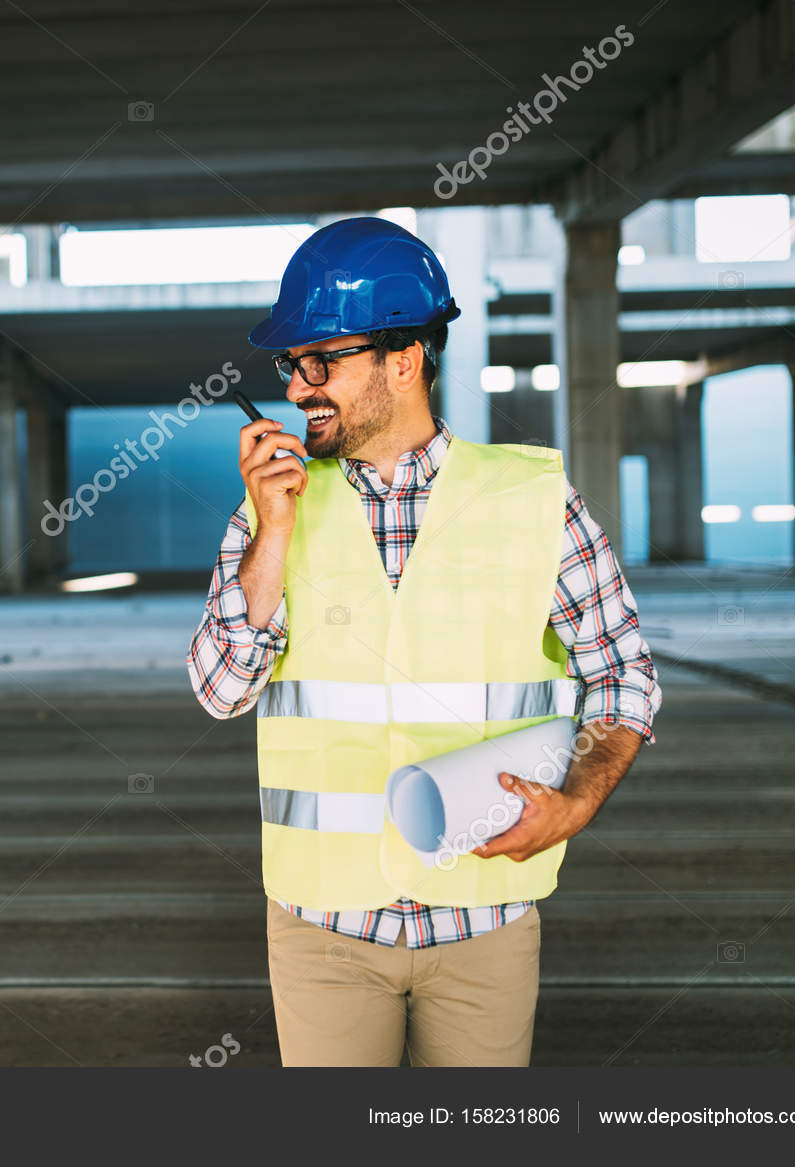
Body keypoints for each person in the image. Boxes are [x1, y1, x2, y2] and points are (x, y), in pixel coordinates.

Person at [186, 216, 661, 1066]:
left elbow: (624, 673)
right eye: (292, 367)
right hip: (324, 929)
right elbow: (222, 689)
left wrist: (580, 799)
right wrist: (274, 532)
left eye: (320, 362)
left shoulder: (534, 498)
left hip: (484, 921)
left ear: (403, 361)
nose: (298, 390)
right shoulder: (270, 511)